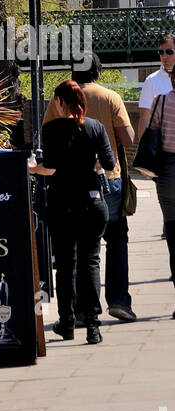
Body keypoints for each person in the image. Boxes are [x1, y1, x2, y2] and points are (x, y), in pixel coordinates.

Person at [44, 54, 136, 322]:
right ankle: (118, 300)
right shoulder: (110, 97)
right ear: (98, 71)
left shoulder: (59, 100)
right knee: (116, 240)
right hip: (108, 178)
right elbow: (128, 139)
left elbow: (48, 136)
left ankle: (78, 309)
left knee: (74, 249)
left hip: (69, 183)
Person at [32, 79, 114, 345]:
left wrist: (32, 169)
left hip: (63, 203)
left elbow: (50, 166)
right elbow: (109, 163)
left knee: (66, 265)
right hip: (92, 201)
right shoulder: (95, 127)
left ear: (59, 101)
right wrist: (90, 162)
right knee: (90, 261)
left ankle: (67, 323)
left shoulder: (51, 128)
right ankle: (92, 325)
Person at [138, 36, 175, 313]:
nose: (164, 56)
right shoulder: (153, 82)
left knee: (172, 230)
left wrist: (146, 165)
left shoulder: (162, 101)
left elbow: (151, 129)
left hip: (169, 169)